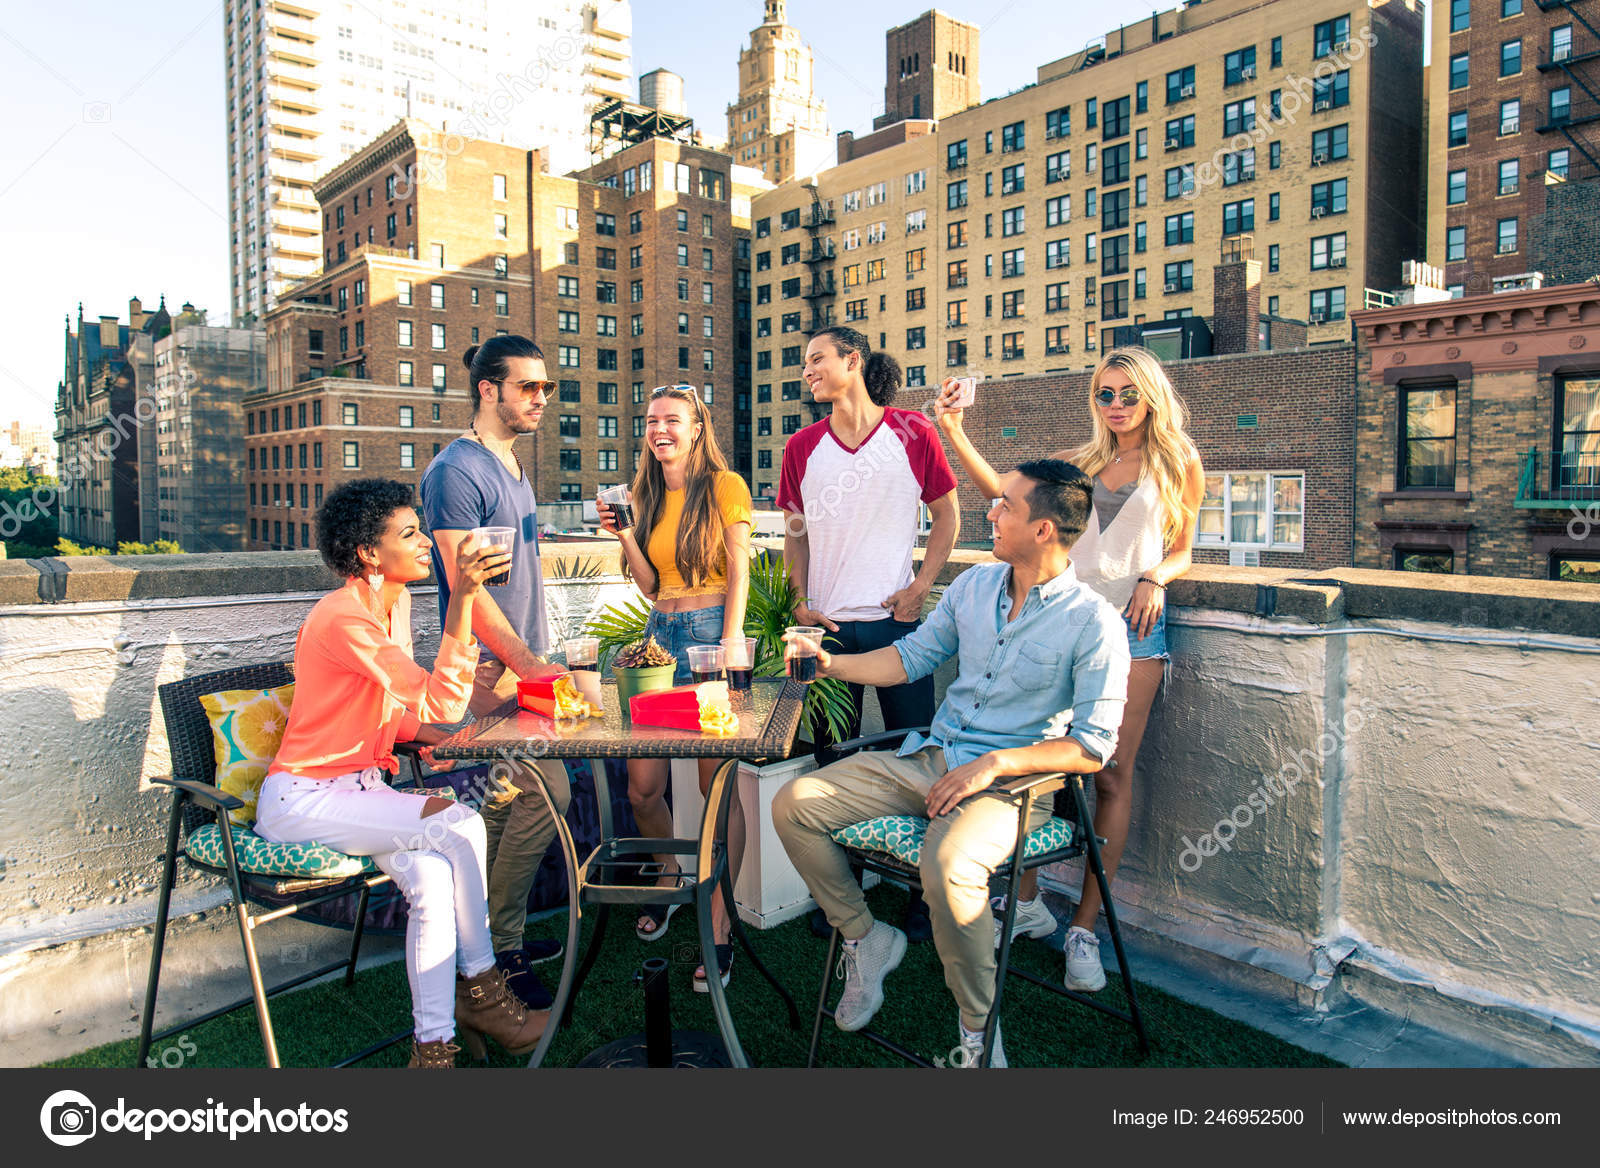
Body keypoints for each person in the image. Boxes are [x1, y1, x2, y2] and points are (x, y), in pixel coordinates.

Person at [775, 460, 1130, 1067]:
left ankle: (976, 1033)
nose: (990, 512)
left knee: (947, 868)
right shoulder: (972, 587)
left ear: (1044, 529)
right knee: (795, 805)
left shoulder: (1093, 622)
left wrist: (993, 765)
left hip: (1013, 789)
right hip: (931, 759)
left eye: (1005, 506)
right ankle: (866, 939)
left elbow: (1094, 747)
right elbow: (908, 658)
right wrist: (826, 664)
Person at [934, 346, 1203, 991]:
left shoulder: (1178, 463)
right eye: (1105, 394)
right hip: (1064, 626)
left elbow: (1185, 548)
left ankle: (1083, 927)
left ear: (1152, 396)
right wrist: (954, 431)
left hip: (1135, 631)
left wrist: (1155, 577)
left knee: (1109, 774)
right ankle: (1027, 906)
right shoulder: (1085, 464)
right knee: (1039, 757)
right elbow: (1005, 496)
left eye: (1127, 394)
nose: (1115, 406)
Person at [255, 479, 547, 1068]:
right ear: (368, 553)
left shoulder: (391, 604)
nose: (423, 544)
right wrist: (464, 597)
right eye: (408, 534)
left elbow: (397, 712)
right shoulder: (342, 619)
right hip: (304, 799)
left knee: (433, 881)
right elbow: (439, 701)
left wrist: (440, 737)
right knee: (461, 825)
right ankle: (486, 990)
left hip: (362, 793)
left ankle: (433, 1048)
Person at [778, 325, 960, 941]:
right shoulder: (802, 446)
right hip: (826, 633)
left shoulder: (913, 432)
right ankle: (845, 897)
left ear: (852, 362)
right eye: (805, 364)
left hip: (898, 627)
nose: (808, 371)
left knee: (916, 754)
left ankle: (919, 891)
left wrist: (921, 587)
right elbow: (795, 535)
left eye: (817, 360)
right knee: (831, 761)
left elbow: (948, 517)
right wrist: (799, 601)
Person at [419, 336, 570, 1011]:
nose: (541, 399)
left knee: (508, 802)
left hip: (522, 666)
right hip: (493, 672)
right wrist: (526, 664)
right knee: (549, 794)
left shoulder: (509, 465)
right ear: (488, 389)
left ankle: (480, 945)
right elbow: (464, 590)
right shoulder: (458, 472)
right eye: (527, 387)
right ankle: (498, 952)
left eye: (546, 388)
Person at [597, 383, 752, 991]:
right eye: (652, 419)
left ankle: (718, 921)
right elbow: (650, 585)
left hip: (713, 632)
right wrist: (627, 536)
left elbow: (739, 564)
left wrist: (733, 641)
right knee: (643, 787)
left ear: (696, 428)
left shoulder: (724, 486)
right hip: (659, 636)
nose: (659, 428)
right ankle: (667, 876)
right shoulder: (647, 494)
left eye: (673, 419)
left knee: (715, 788)